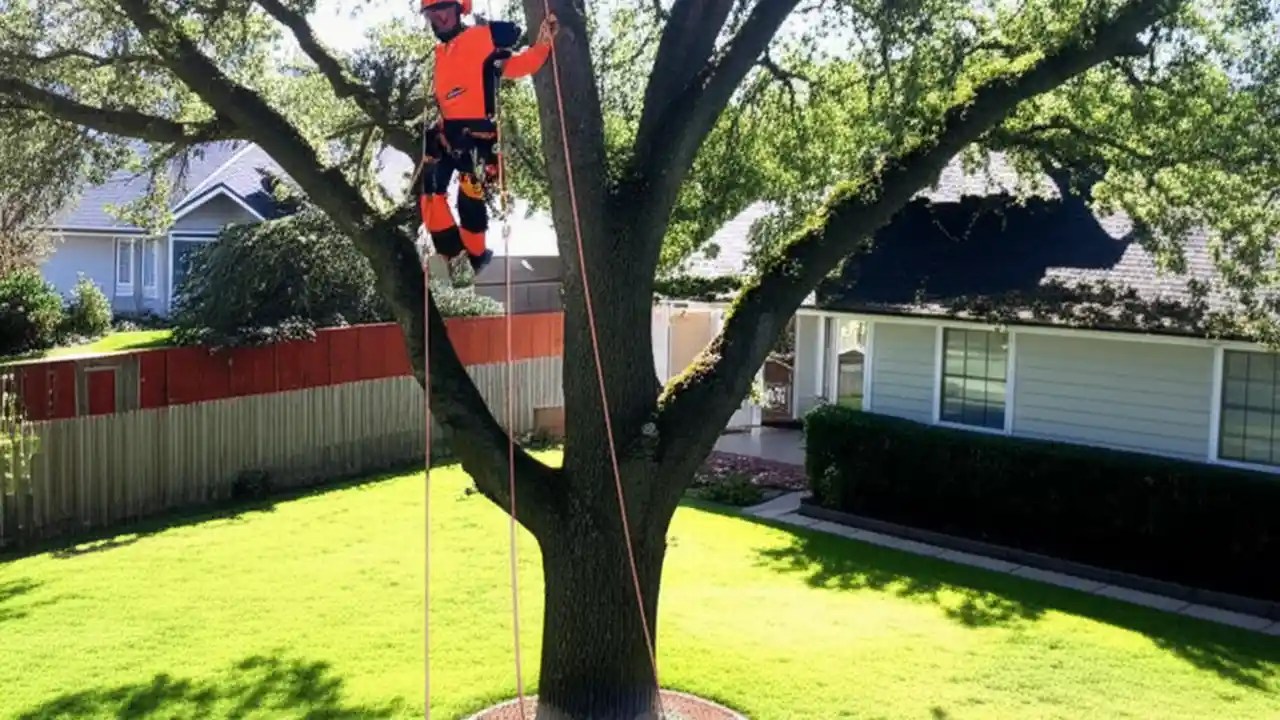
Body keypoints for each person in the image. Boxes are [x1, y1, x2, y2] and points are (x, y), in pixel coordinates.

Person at [418, 0, 559, 285]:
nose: (440, 17)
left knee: (469, 197)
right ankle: (451, 252)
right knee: (430, 193)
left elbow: (517, 55)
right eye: (434, 13)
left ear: (460, 10)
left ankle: (475, 254)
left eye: (445, 9)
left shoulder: (480, 38)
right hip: (448, 133)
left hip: (479, 136)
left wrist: (543, 42)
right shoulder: (440, 54)